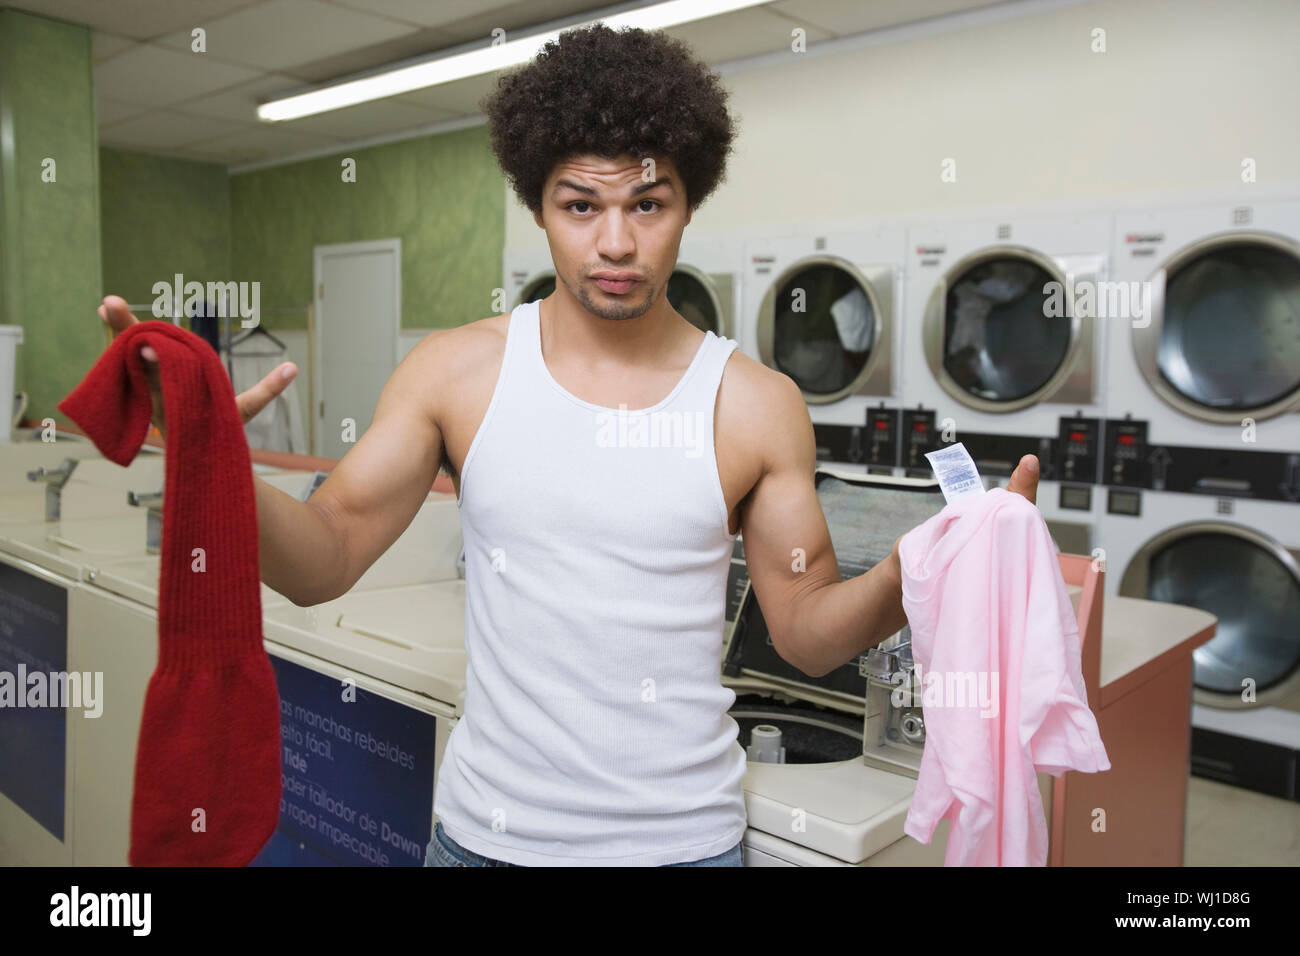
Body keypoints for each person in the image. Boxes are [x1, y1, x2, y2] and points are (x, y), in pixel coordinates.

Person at [95, 23, 1040, 868]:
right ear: (539, 207)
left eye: (649, 204)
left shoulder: (755, 404)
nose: (616, 243)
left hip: (682, 843)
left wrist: (913, 573)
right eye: (580, 205)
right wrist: (208, 443)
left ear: (689, 204)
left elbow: (801, 633)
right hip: (484, 836)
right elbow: (323, 558)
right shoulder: (458, 373)